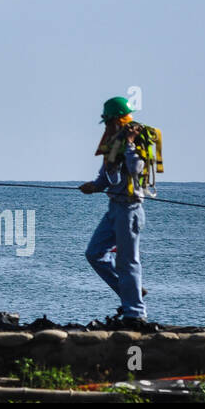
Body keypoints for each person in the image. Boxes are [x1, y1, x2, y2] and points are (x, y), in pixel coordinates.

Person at [80, 95, 150, 322]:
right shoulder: (113, 142)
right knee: (94, 253)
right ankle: (130, 291)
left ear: (119, 119)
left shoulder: (137, 139)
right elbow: (106, 177)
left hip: (130, 209)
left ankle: (135, 313)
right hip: (114, 208)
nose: (108, 126)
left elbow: (137, 168)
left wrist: (130, 143)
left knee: (128, 261)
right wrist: (94, 186)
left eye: (110, 121)